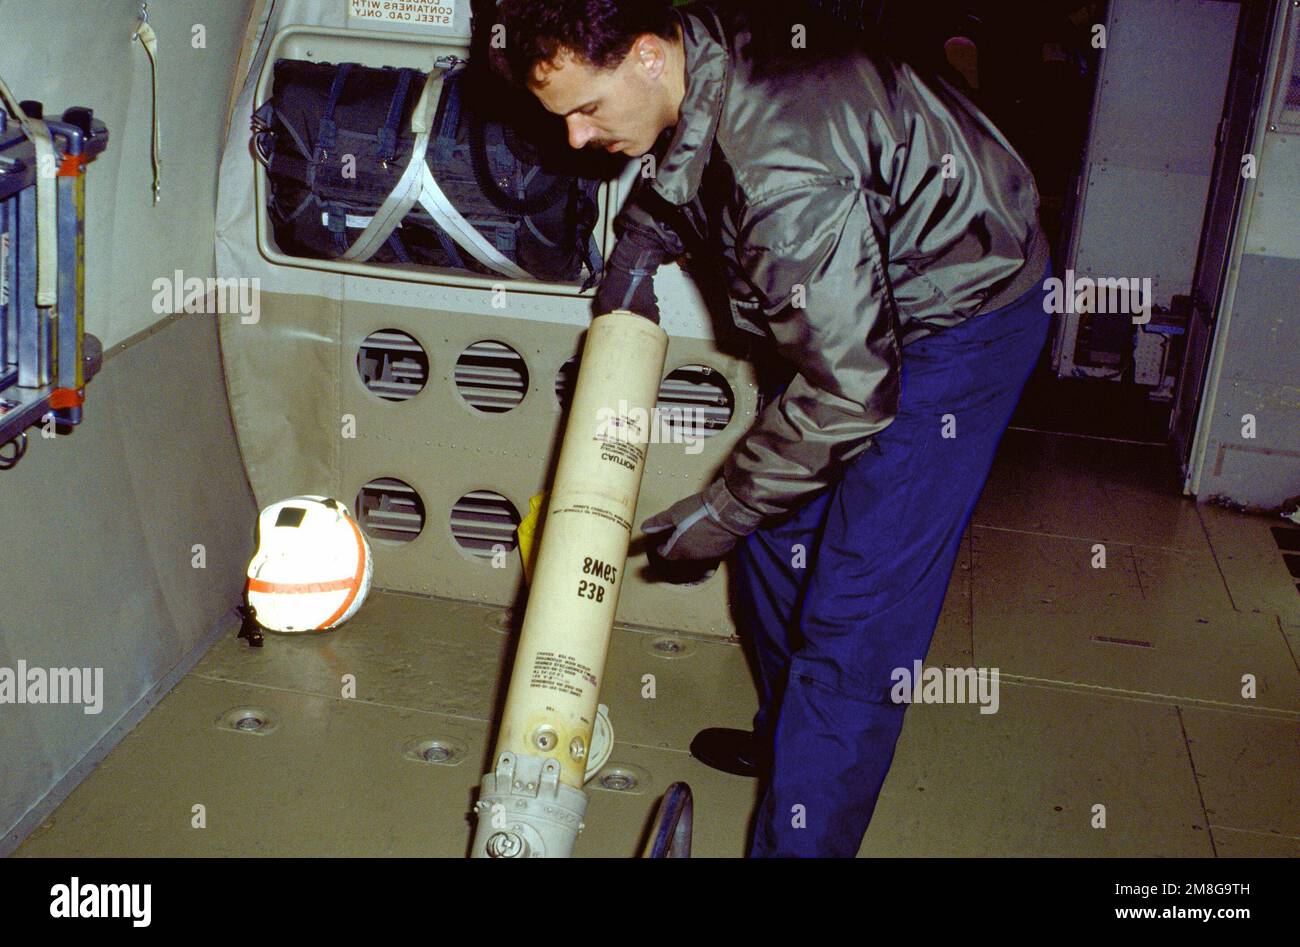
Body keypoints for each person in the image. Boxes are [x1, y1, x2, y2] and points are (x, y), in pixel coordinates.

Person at [487, 0, 1053, 857]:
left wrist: (722, 506)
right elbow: (694, 146)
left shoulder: (783, 167)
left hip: (961, 317)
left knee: (852, 623)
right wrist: (640, 244)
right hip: (865, 291)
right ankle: (796, 735)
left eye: (586, 109)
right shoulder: (694, 50)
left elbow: (850, 392)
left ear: (644, 56)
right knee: (772, 548)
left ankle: (804, 818)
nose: (573, 138)